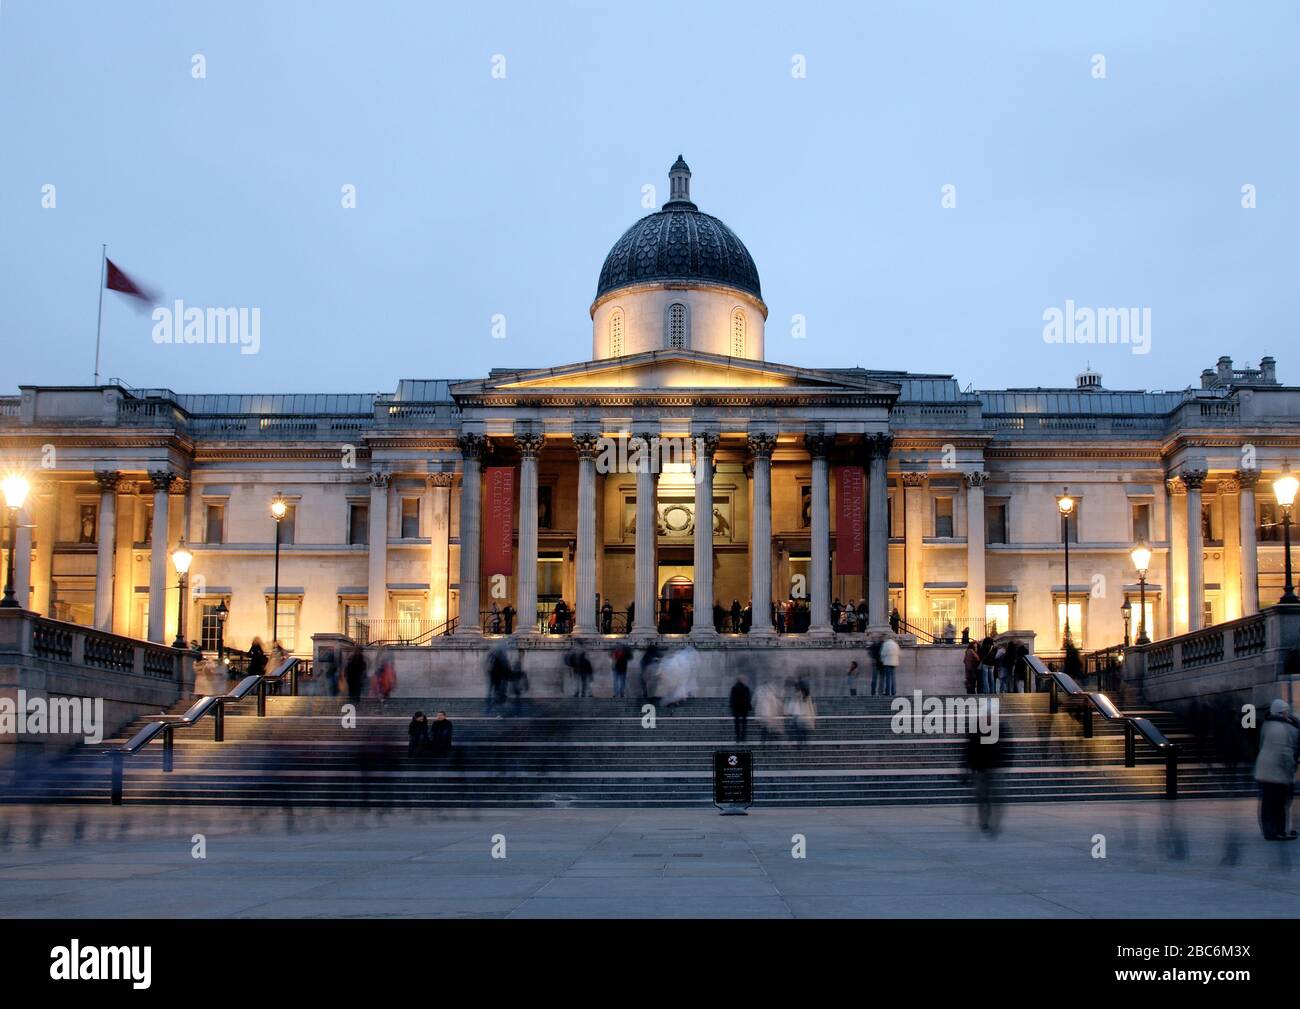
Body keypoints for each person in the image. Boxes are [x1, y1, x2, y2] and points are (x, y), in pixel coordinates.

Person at [1255, 698, 1300, 840]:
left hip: (1263, 769)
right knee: (1280, 803)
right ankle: (1280, 831)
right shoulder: (1288, 728)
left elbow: (1261, 744)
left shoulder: (1266, 725)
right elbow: (1286, 752)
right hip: (1279, 772)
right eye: (1286, 711)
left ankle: (1269, 831)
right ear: (1283, 712)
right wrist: (1291, 768)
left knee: (1267, 802)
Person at [729, 676, 752, 742]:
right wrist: (748, 706)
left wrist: (732, 706)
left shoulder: (734, 688)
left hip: (736, 708)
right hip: (744, 708)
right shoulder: (746, 688)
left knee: (737, 724)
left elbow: (732, 698)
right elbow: (748, 698)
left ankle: (738, 737)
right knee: (744, 723)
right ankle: (743, 737)